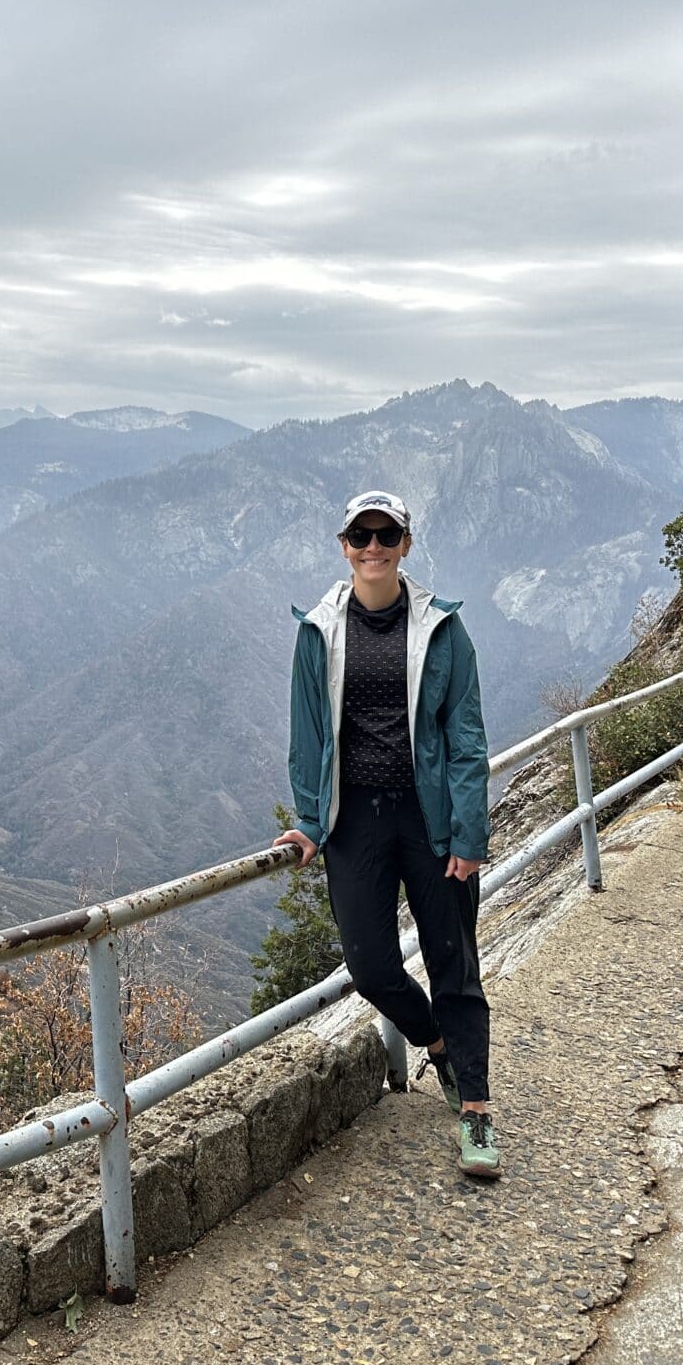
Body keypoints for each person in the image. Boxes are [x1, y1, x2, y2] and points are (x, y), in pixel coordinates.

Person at [274, 490, 498, 1179]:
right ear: (343, 545)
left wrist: (468, 832)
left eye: (386, 536)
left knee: (453, 962)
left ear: (405, 543)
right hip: (355, 822)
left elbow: (465, 737)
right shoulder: (318, 632)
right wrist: (310, 822)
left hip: (429, 820)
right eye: (360, 537)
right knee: (371, 966)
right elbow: (308, 735)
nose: (373, 549)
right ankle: (435, 1043)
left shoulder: (443, 630)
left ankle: (477, 1109)